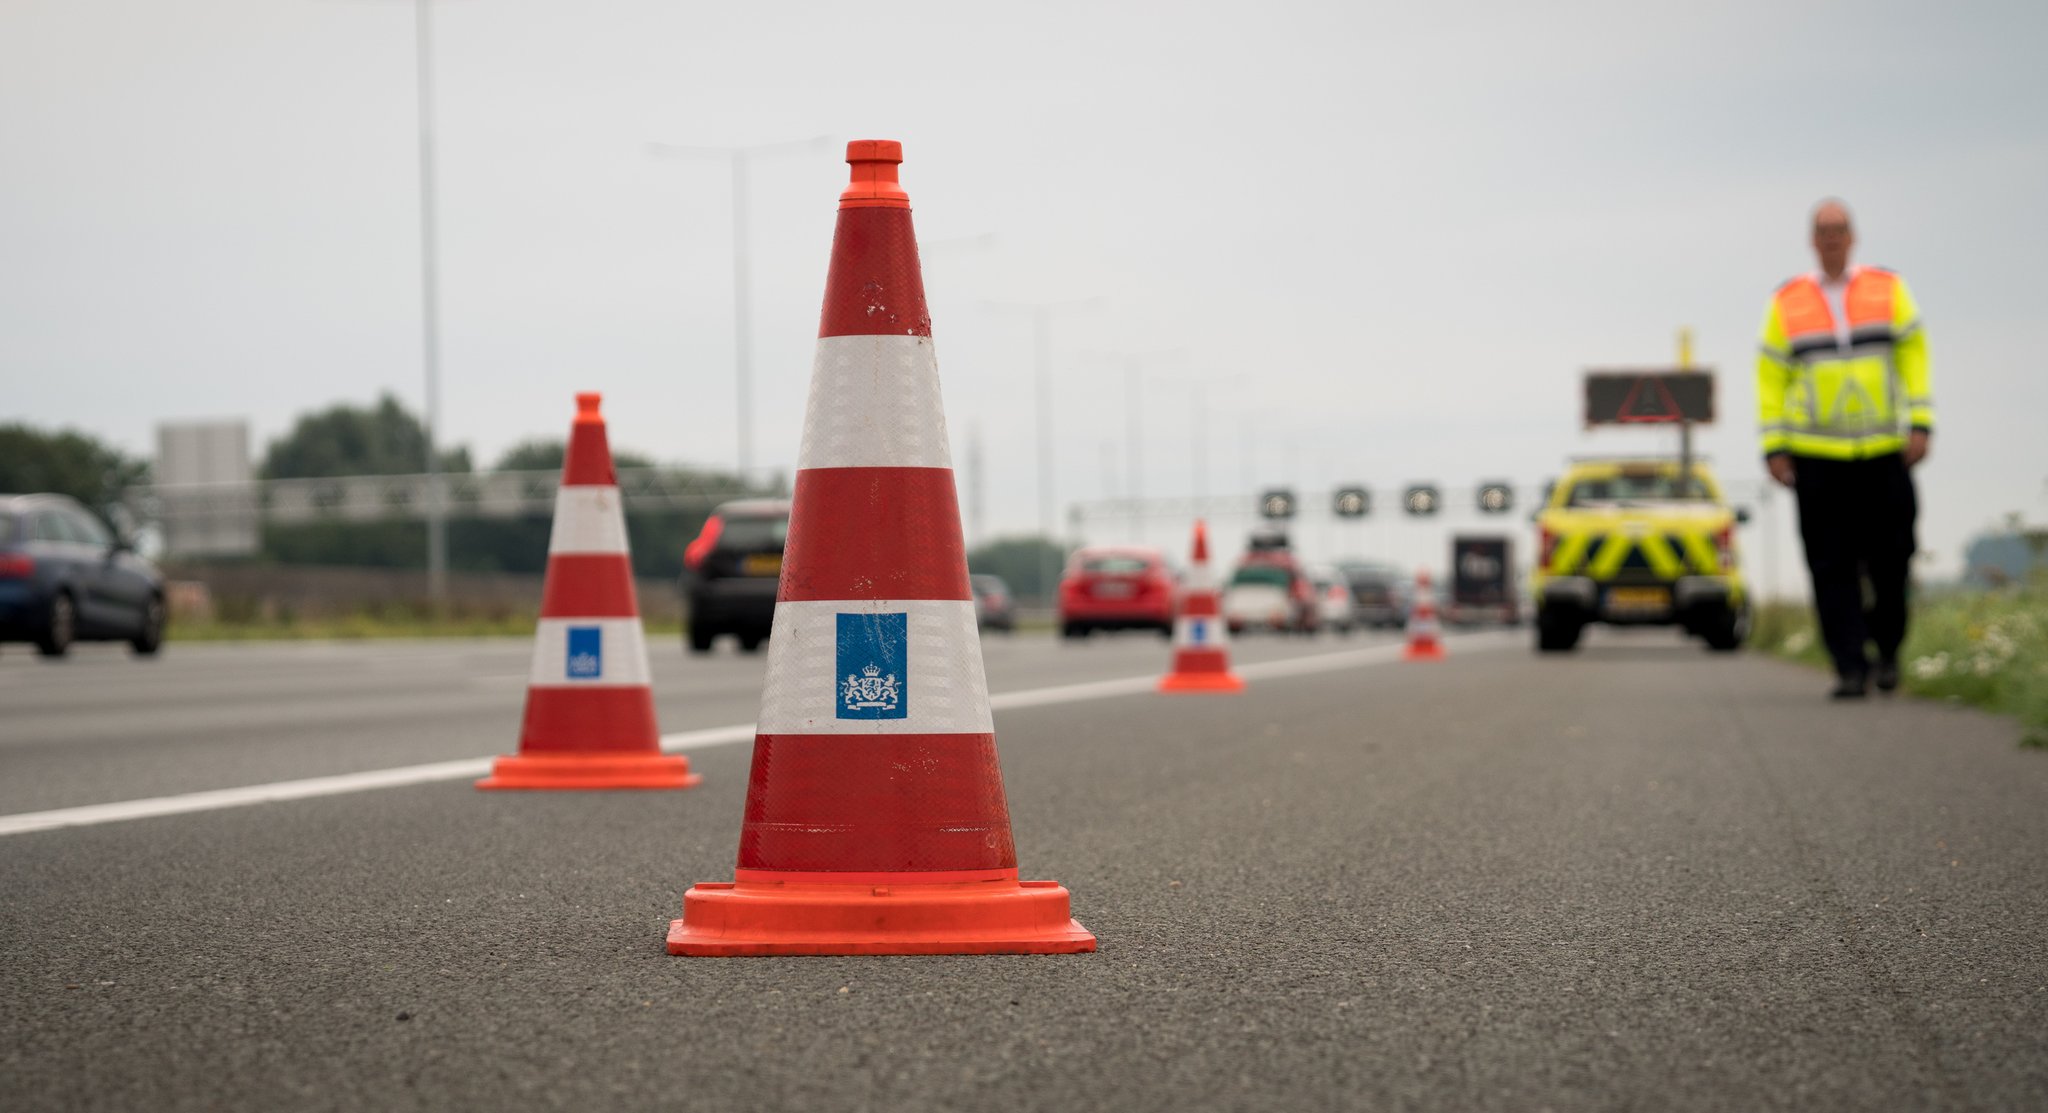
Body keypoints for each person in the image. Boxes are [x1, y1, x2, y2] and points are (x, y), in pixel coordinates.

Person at [1757, 199, 1933, 699]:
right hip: (1816, 458)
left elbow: (1914, 356)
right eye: (1822, 230)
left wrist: (1920, 422)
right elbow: (1770, 377)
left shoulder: (1888, 289)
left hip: (1883, 452)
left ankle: (1888, 648)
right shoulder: (1787, 302)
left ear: (1852, 236)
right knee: (1829, 565)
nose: (1831, 238)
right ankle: (1849, 665)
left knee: (1892, 559)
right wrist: (1774, 446)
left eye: (1839, 229)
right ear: (1812, 240)